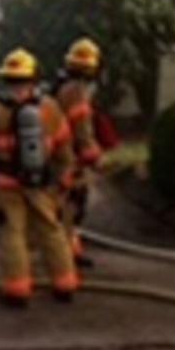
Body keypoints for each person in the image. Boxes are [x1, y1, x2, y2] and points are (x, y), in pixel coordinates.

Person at [0, 48, 79, 306]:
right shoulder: (50, 108)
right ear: (34, 79)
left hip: (8, 185)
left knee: (14, 233)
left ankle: (17, 290)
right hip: (41, 183)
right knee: (52, 230)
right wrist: (66, 175)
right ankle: (65, 284)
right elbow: (64, 145)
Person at [52, 37, 104, 269]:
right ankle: (63, 256)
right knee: (71, 207)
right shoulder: (77, 92)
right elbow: (81, 128)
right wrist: (92, 154)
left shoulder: (62, 87)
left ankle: (71, 250)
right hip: (69, 159)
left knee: (68, 207)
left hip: (59, 155)